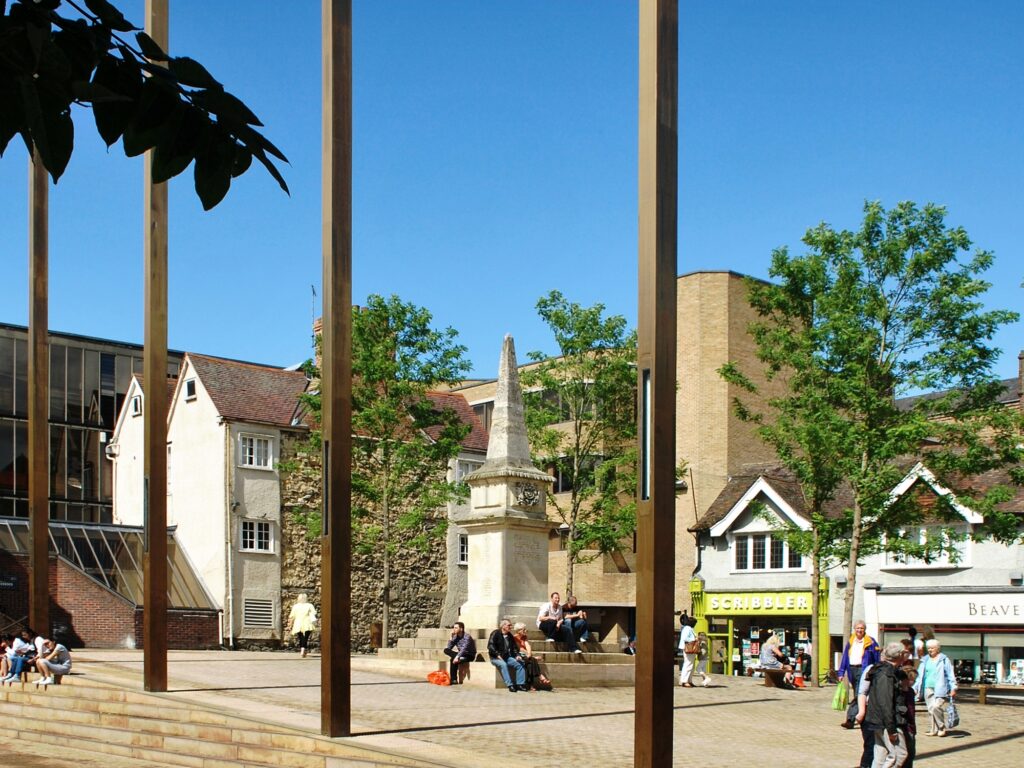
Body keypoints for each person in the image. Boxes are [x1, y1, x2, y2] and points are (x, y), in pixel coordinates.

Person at [861, 641, 909, 768]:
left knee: (881, 754)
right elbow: (885, 703)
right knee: (898, 755)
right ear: (899, 655)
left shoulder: (884, 670)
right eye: (903, 653)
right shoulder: (886, 674)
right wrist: (891, 729)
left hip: (879, 720)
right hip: (885, 721)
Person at [838, 620, 881, 729]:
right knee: (859, 693)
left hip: (863, 669)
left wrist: (877, 670)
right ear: (854, 629)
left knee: (859, 693)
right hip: (852, 669)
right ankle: (863, 716)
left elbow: (877, 658)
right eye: (857, 628)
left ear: (864, 629)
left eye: (861, 628)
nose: (859, 630)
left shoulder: (871, 642)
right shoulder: (851, 641)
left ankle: (850, 719)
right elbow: (845, 657)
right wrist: (841, 672)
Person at [914, 639, 957, 737]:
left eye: (932, 648)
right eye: (928, 648)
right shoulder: (925, 660)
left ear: (938, 649)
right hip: (927, 687)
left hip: (941, 688)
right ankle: (933, 730)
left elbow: (950, 674)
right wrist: (915, 687)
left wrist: (953, 688)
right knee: (930, 710)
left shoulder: (944, 659)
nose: (930, 650)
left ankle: (941, 727)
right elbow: (920, 676)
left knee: (936, 707)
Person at [488, 619, 527, 692]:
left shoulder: (510, 635)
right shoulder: (495, 633)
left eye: (511, 625)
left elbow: (514, 648)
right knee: (503, 665)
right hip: (495, 657)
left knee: (520, 664)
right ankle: (510, 685)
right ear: (503, 626)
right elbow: (491, 646)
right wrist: (497, 655)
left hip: (506, 657)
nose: (510, 627)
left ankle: (520, 684)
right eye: (509, 625)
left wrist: (517, 655)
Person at [512, 622, 551, 690]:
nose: (526, 631)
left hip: (525, 656)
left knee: (530, 664)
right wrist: (532, 657)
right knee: (532, 660)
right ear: (518, 631)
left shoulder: (524, 637)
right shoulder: (514, 638)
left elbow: (528, 646)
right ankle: (540, 677)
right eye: (524, 629)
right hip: (518, 655)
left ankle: (530, 685)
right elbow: (520, 649)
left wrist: (529, 655)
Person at [900, 665, 918, 768]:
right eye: (912, 680)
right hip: (902, 726)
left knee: (911, 754)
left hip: (910, 726)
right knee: (904, 754)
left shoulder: (911, 691)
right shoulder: (898, 692)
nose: (914, 682)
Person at [288, 594, 317, 658]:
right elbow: (314, 613)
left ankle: (302, 649)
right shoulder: (310, 605)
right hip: (307, 623)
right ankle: (303, 649)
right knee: (305, 637)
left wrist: (290, 625)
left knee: (301, 637)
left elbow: (292, 616)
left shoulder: (295, 606)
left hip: (298, 623)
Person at [677, 616, 697, 687]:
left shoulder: (689, 628)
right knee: (688, 664)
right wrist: (694, 639)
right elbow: (685, 638)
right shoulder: (687, 628)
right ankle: (684, 681)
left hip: (691, 649)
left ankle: (689, 680)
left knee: (691, 665)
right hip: (688, 648)